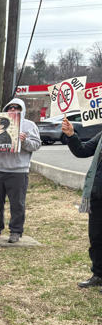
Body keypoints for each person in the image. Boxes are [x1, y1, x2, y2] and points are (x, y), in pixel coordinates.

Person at [0, 97, 41, 244]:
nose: (13, 109)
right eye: (10, 107)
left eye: (17, 107)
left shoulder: (29, 125)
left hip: (18, 170)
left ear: (22, 110)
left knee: (17, 203)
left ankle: (16, 231)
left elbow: (36, 145)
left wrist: (24, 141)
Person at [62, 117, 102, 290]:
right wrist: (71, 135)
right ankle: (98, 274)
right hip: (97, 195)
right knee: (96, 237)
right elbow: (82, 150)